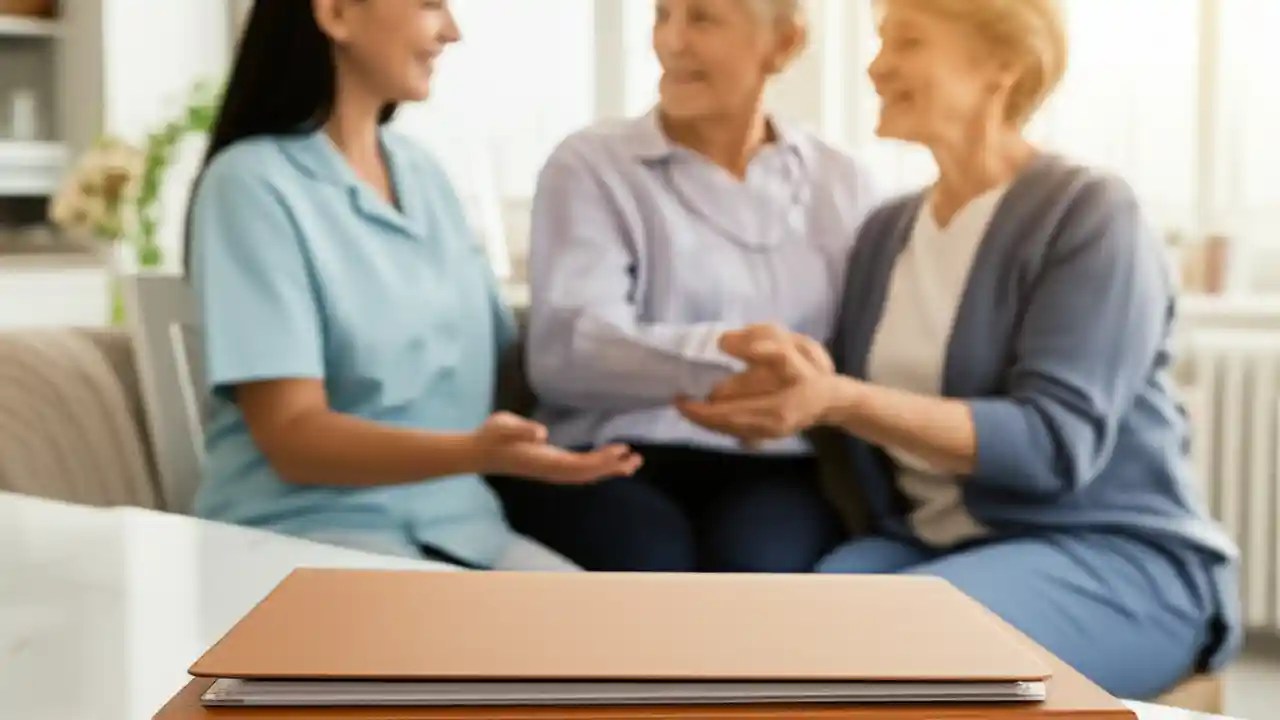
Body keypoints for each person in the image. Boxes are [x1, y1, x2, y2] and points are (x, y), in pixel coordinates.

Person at [677, 0, 1241, 700]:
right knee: (772, 654)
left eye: (908, 42)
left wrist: (840, 401)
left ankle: (1173, 679)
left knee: (868, 660)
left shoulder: (1088, 213)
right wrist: (777, 383)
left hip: (1110, 555)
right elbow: (845, 398)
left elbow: (1051, 445)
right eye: (880, 41)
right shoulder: (887, 231)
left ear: (1002, 65)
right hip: (930, 549)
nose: (877, 66)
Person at [186, 0, 642, 571]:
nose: (451, 31)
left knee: (624, 645)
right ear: (335, 14)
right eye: (429, 4)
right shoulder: (252, 186)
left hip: (464, 528)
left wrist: (686, 375)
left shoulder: (422, 173)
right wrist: (474, 453)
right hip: (305, 535)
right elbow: (293, 436)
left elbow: (503, 365)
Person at [490, 0, 879, 573]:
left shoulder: (843, 183)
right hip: (606, 454)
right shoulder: (592, 164)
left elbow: (861, 357)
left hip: (771, 465)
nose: (671, 41)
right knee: (651, 565)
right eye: (662, 15)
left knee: (763, 574)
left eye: (703, 18)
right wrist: (729, 353)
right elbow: (567, 352)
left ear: (784, 44)